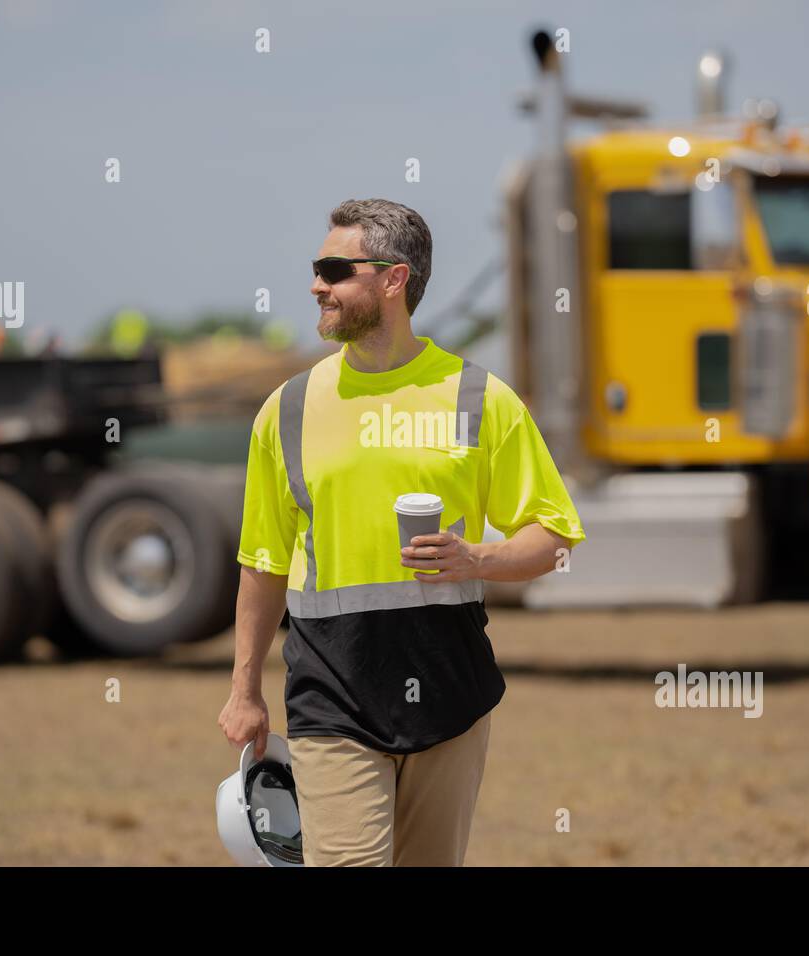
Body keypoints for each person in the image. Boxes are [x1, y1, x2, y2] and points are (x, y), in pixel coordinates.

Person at [218, 198, 585, 866]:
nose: (316, 285)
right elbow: (262, 562)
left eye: (334, 269)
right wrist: (244, 689)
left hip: (450, 693)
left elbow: (552, 534)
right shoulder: (289, 409)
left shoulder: (478, 398)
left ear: (393, 279)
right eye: (315, 269)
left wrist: (476, 557)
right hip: (332, 695)